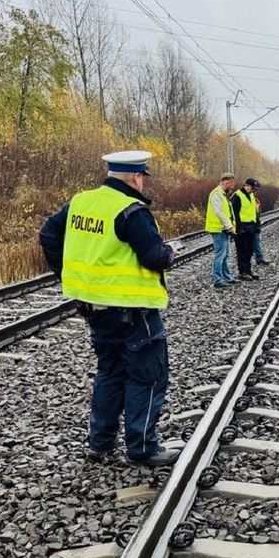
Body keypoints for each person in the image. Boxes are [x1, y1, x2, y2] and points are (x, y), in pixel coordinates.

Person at [38, 150, 179, 466]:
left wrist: (67, 274)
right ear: (136, 177)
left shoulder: (79, 202)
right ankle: (143, 448)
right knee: (147, 377)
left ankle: (100, 445)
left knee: (110, 374)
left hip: (96, 309)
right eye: (142, 177)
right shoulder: (131, 211)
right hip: (134, 311)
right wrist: (169, 252)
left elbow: (48, 235)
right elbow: (153, 257)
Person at [205, 173, 236, 288]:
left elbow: (227, 212)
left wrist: (229, 226)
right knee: (220, 255)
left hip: (223, 229)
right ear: (226, 183)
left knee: (226, 254)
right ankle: (217, 280)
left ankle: (227, 278)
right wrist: (229, 226)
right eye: (231, 185)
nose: (232, 188)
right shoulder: (216, 194)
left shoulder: (223, 194)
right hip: (218, 229)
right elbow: (219, 212)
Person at [231, 178, 261, 281]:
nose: (253, 190)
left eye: (255, 189)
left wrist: (257, 224)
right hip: (242, 228)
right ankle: (242, 272)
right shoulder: (237, 196)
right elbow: (234, 214)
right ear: (246, 185)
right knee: (242, 251)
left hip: (251, 227)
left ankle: (248, 270)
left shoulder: (251, 195)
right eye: (252, 188)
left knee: (250, 250)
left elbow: (254, 211)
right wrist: (238, 228)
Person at [251, 189, 269, 266]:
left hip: (255, 224)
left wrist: (257, 222)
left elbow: (257, 212)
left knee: (257, 241)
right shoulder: (247, 199)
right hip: (248, 224)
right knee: (251, 243)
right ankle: (254, 259)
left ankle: (259, 258)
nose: (254, 192)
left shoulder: (256, 200)